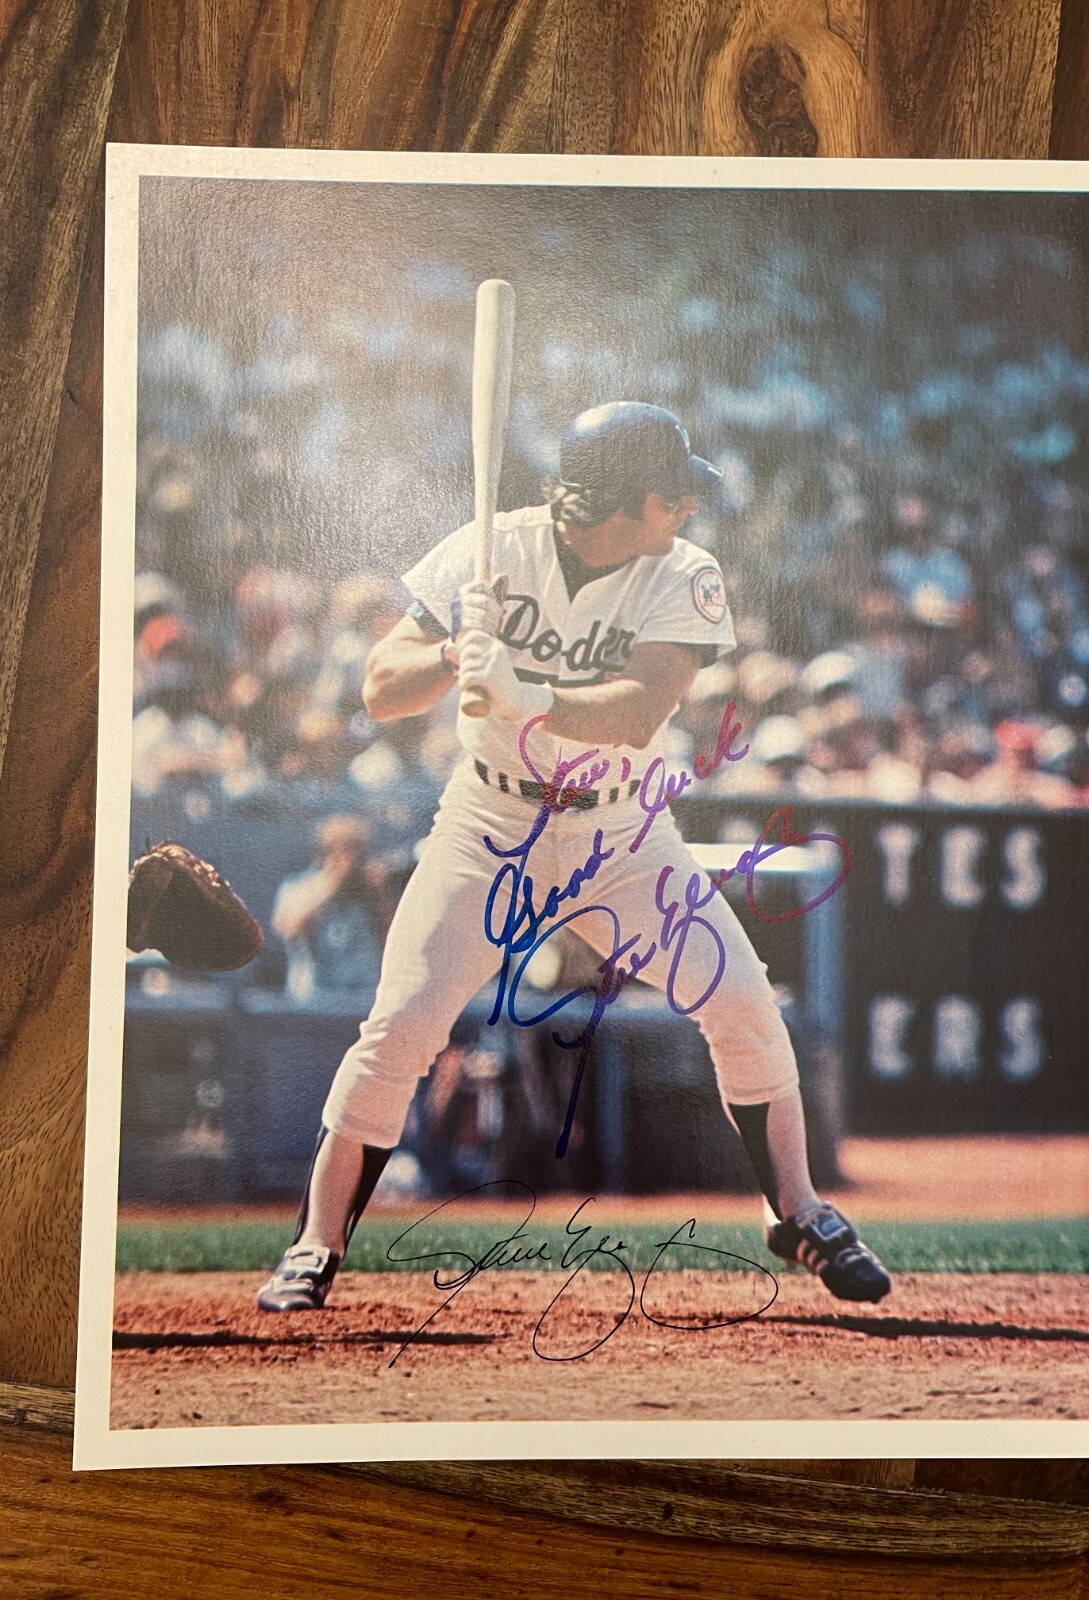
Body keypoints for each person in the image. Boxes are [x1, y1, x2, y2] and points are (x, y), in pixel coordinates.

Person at [257, 401, 891, 1312]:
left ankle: (795, 1209)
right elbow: (380, 689)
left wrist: (526, 689)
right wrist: (453, 648)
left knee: (745, 1003)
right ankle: (316, 1244)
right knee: (400, 1026)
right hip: (489, 823)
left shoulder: (685, 571)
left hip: (622, 834)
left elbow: (638, 709)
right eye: (672, 497)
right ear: (620, 503)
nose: (687, 510)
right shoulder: (488, 550)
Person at [271, 815, 385, 1001]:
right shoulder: (298, 886)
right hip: (315, 997)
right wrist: (332, 884)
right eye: (333, 848)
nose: (343, 856)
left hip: (365, 996)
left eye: (352, 847)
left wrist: (380, 893)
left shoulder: (372, 888)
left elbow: (395, 936)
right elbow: (288, 929)